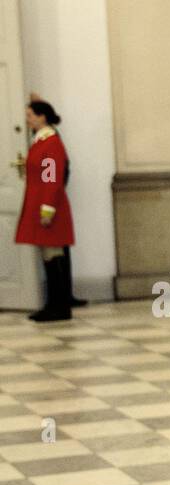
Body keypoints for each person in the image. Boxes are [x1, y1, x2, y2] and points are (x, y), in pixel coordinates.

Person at [16, 98, 75, 322]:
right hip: (41, 204)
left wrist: (47, 209)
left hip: (49, 208)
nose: (28, 120)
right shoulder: (41, 141)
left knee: (53, 257)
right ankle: (53, 304)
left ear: (42, 117)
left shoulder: (50, 143)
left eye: (30, 115)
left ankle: (59, 306)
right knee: (48, 258)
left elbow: (51, 179)